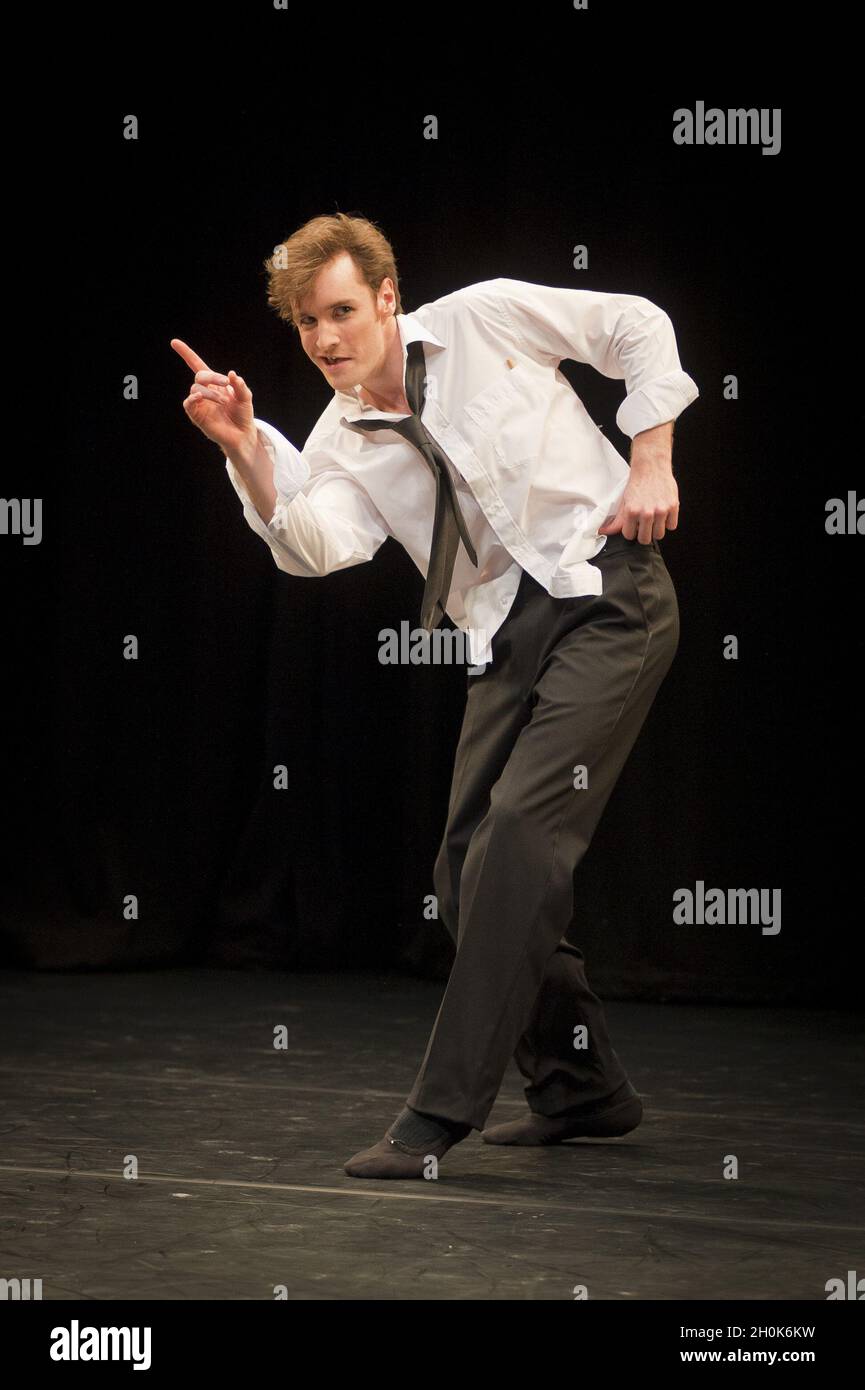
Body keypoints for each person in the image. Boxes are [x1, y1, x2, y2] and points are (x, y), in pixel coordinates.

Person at [171, 212, 699, 1181]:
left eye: (340, 311)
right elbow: (319, 545)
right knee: (461, 873)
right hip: (502, 634)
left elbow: (636, 324)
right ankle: (580, 1087)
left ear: (385, 297)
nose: (325, 337)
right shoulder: (339, 436)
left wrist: (651, 459)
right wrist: (245, 449)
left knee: (520, 837)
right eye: (306, 322)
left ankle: (438, 1110)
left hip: (605, 594)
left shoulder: (483, 318)